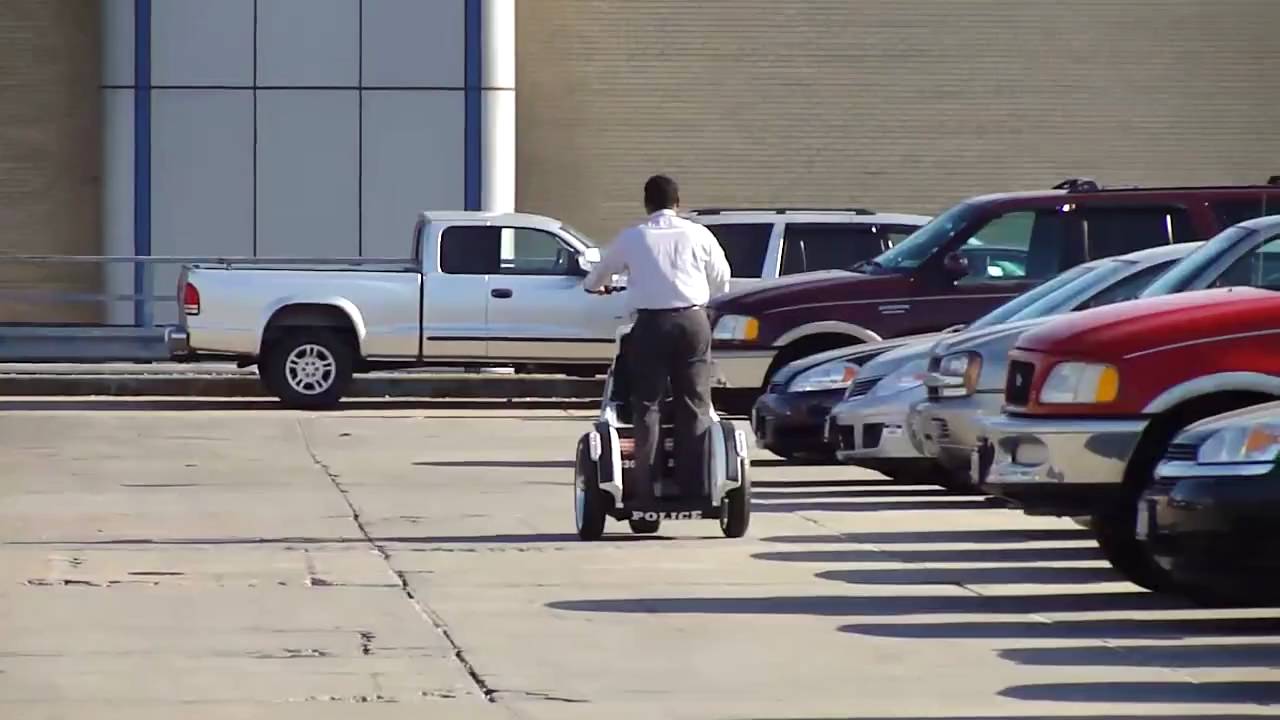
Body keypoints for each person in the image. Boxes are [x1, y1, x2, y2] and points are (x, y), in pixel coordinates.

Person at [583, 175, 732, 503]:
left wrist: (597, 288)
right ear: (678, 203)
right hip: (694, 322)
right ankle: (695, 488)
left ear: (647, 204)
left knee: (647, 404)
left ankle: (645, 489)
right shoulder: (699, 234)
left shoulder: (633, 237)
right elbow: (722, 281)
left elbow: (595, 279)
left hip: (650, 324)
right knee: (694, 404)